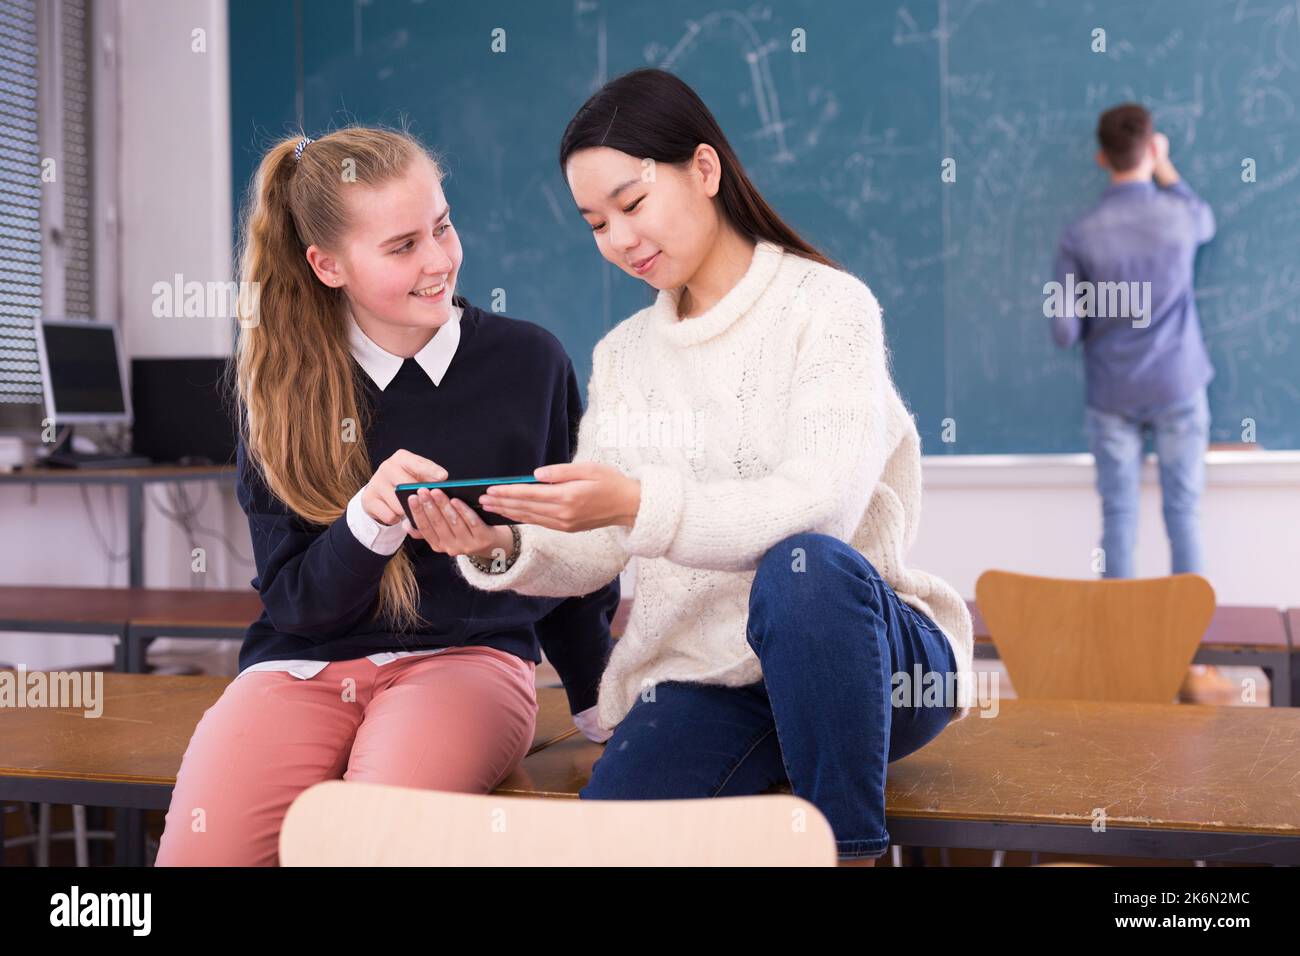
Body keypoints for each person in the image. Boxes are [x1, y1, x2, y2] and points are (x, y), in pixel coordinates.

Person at [412, 69, 976, 865]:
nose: (620, 240)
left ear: (704, 171)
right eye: (595, 222)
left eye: (632, 204)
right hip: (713, 676)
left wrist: (641, 502)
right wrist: (499, 547)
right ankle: (798, 756)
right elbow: (602, 543)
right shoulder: (625, 355)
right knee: (607, 844)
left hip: (867, 658)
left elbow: (820, 514)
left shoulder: (829, 308)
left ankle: (852, 853)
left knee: (802, 567)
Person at [155, 126, 619, 866]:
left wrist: (596, 692)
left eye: (441, 227)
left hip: (465, 659)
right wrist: (368, 521)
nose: (438, 260)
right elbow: (298, 607)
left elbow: (571, 551)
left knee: (365, 849)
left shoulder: (528, 362)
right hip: (299, 668)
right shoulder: (278, 391)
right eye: (402, 247)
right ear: (327, 264)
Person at [1051, 104, 1226, 703]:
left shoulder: (1079, 236)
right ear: (1150, 149)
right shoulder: (1180, 218)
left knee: (1119, 520)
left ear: (1101, 157)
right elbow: (1207, 219)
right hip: (1178, 384)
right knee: (1184, 516)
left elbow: (1063, 333)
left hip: (1113, 393)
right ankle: (1194, 668)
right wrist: (1168, 168)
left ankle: (1124, 669)